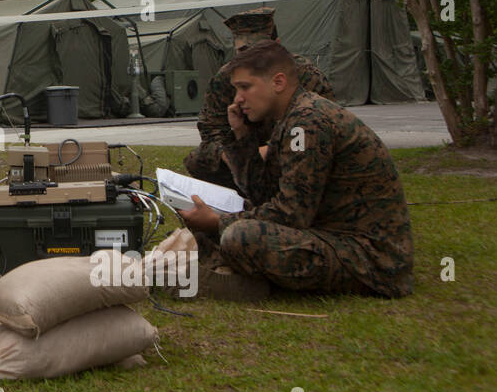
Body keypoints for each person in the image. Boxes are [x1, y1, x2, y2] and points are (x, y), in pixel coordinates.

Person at [177, 40, 414, 300]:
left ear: (278, 83)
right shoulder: (292, 117)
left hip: (373, 260)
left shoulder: (308, 121)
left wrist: (218, 222)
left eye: (245, 87)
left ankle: (238, 274)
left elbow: (291, 214)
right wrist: (242, 135)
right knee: (214, 231)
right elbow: (263, 194)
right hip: (332, 235)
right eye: (236, 89)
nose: (237, 99)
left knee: (238, 236)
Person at [184, 6, 335, 203]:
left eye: (259, 51)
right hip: (246, 153)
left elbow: (324, 129)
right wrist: (235, 153)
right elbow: (211, 130)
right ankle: (235, 200)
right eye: (243, 51)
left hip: (293, 155)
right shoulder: (224, 78)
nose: (251, 59)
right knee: (199, 159)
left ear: (278, 46)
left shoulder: (305, 76)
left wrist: (271, 150)